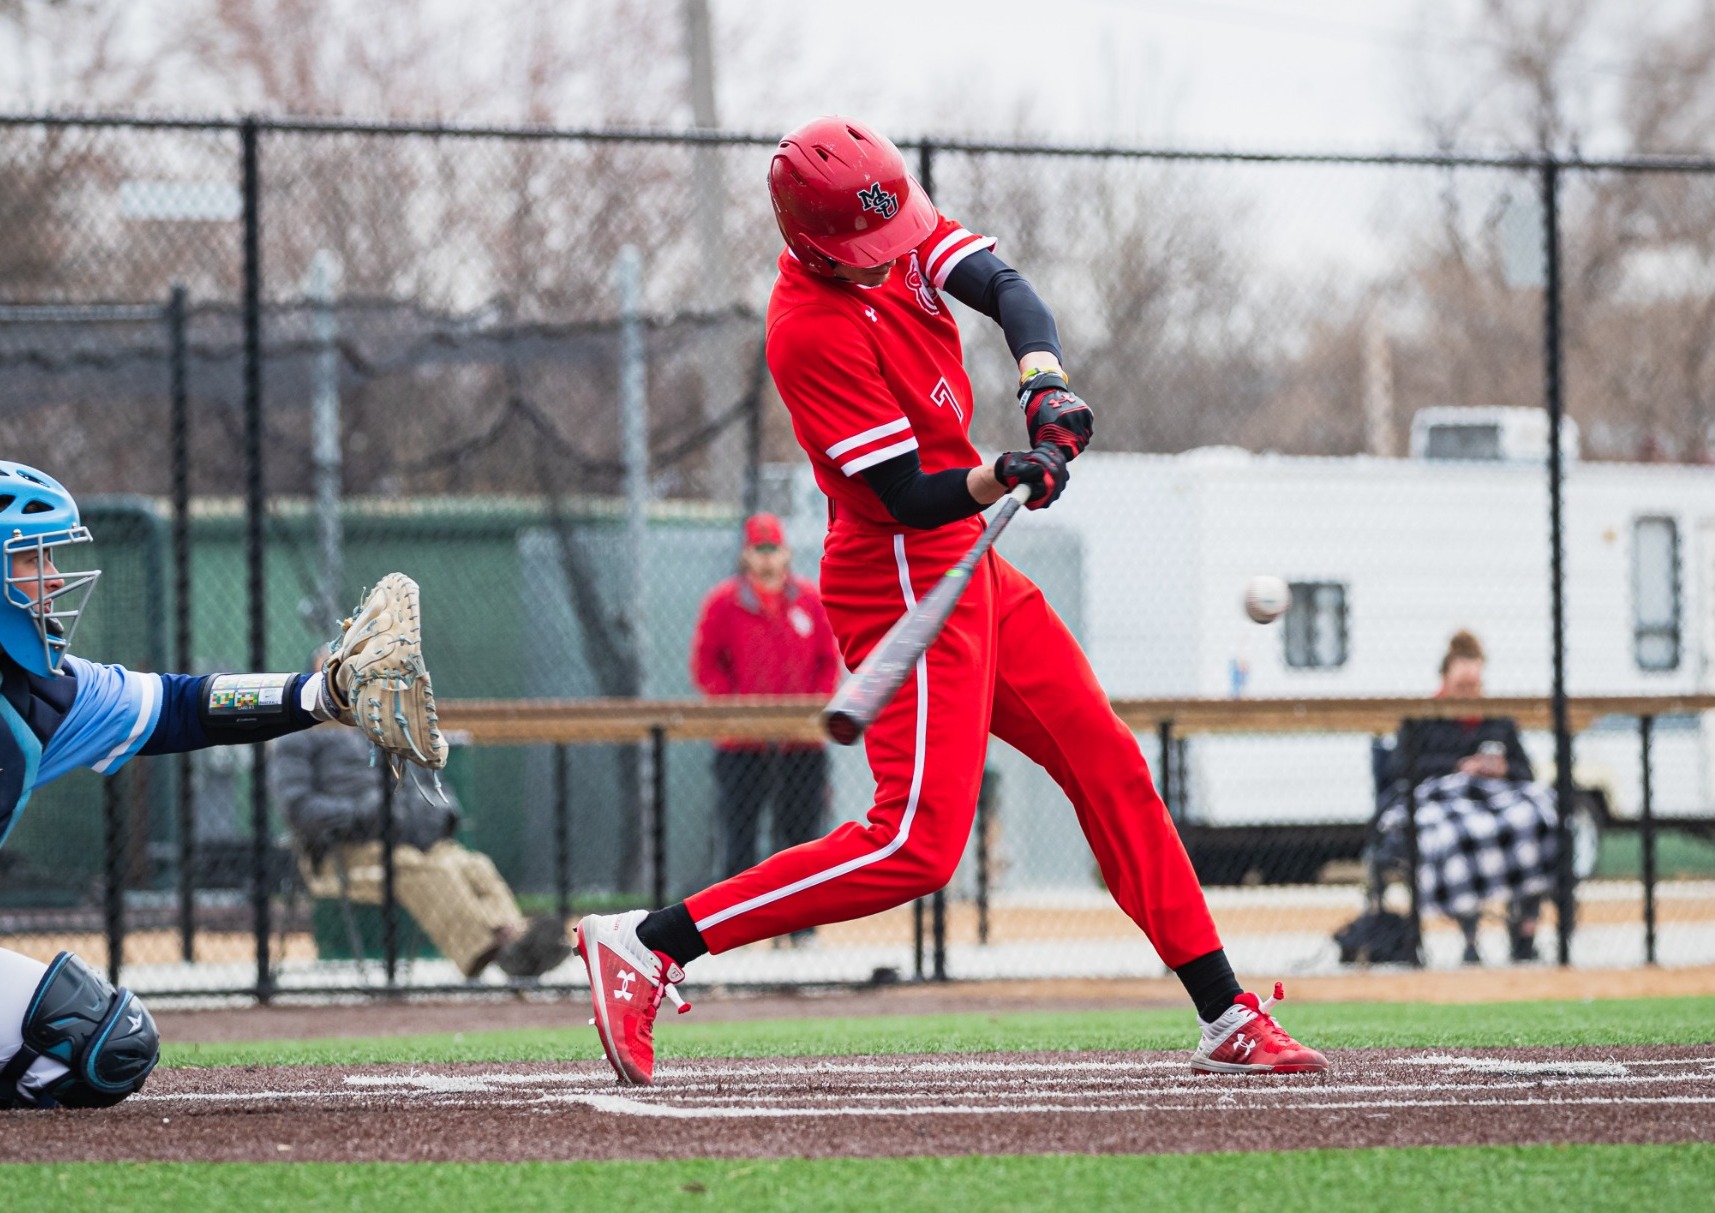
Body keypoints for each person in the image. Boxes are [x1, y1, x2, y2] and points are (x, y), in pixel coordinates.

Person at [573, 117, 1327, 1085]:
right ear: (816, 244)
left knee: (1106, 762)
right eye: (872, 246)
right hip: (897, 570)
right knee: (915, 845)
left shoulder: (893, 231)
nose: (897, 254)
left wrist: (1044, 387)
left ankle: (1224, 1012)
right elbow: (905, 494)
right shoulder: (807, 331)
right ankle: (651, 941)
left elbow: (1010, 292)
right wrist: (1000, 473)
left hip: (968, 562)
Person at [0, 460, 438, 1110]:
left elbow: (183, 705)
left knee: (102, 1043)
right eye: (31, 558)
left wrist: (323, 693)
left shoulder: (41, 694)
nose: (56, 577)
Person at [272, 652, 569, 981]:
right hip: (343, 854)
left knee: (473, 865)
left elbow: (435, 791)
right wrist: (362, 814)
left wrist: (427, 817)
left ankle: (516, 942)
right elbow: (298, 808)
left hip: (409, 840)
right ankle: (498, 954)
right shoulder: (300, 735)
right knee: (421, 867)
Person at [1373, 630, 1556, 964]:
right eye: (1461, 686)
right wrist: (1458, 767)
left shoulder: (1497, 718)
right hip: (1441, 802)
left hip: (1493, 804)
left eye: (1474, 686)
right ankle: (1469, 938)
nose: (1469, 693)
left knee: (1539, 818)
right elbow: (1401, 769)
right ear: (1445, 680)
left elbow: (1525, 771)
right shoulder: (1422, 718)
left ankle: (1525, 932)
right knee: (1457, 834)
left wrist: (1501, 769)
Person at [689, 512, 840, 885]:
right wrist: (735, 709)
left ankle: (801, 915)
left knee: (802, 839)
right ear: (746, 555)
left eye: (773, 549)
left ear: (786, 552)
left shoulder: (810, 600)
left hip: (800, 742)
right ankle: (736, 916)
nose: (767, 558)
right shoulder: (723, 603)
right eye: (759, 550)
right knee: (739, 840)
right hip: (743, 742)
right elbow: (705, 664)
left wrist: (809, 711)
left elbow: (828, 661)